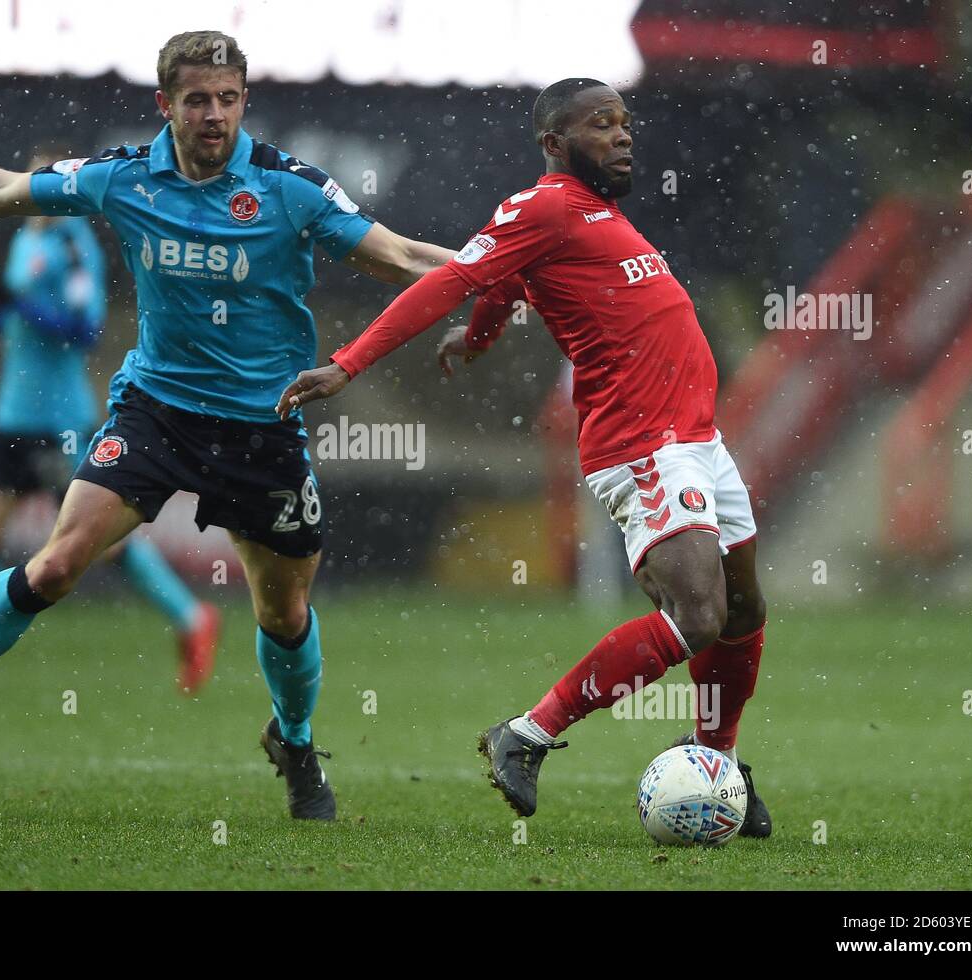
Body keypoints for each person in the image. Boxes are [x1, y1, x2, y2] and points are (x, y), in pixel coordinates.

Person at [0, 30, 455, 821]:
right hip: (156, 414)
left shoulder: (292, 188)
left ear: (245, 99)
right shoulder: (121, 179)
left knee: (283, 614)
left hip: (263, 427)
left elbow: (399, 257)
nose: (214, 115)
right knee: (54, 565)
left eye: (227, 98)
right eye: (196, 100)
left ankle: (295, 741)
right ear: (166, 104)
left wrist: (499, 273)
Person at [277, 78, 771, 836]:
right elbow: (453, 278)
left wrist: (476, 337)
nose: (621, 135)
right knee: (697, 614)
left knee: (742, 610)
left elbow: (505, 286)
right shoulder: (538, 206)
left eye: (625, 122)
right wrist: (347, 364)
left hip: (697, 438)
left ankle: (718, 760)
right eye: (600, 125)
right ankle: (529, 734)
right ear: (553, 142)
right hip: (643, 444)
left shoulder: (594, 216)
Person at [0, 149, 218, 694]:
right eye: (33, 179)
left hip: (60, 417)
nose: (37, 190)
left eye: (47, 181)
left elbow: (83, 329)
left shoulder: (75, 246)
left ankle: (193, 618)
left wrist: (24, 310)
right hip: (12, 414)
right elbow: (15, 303)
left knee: (103, 542)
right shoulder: (25, 237)